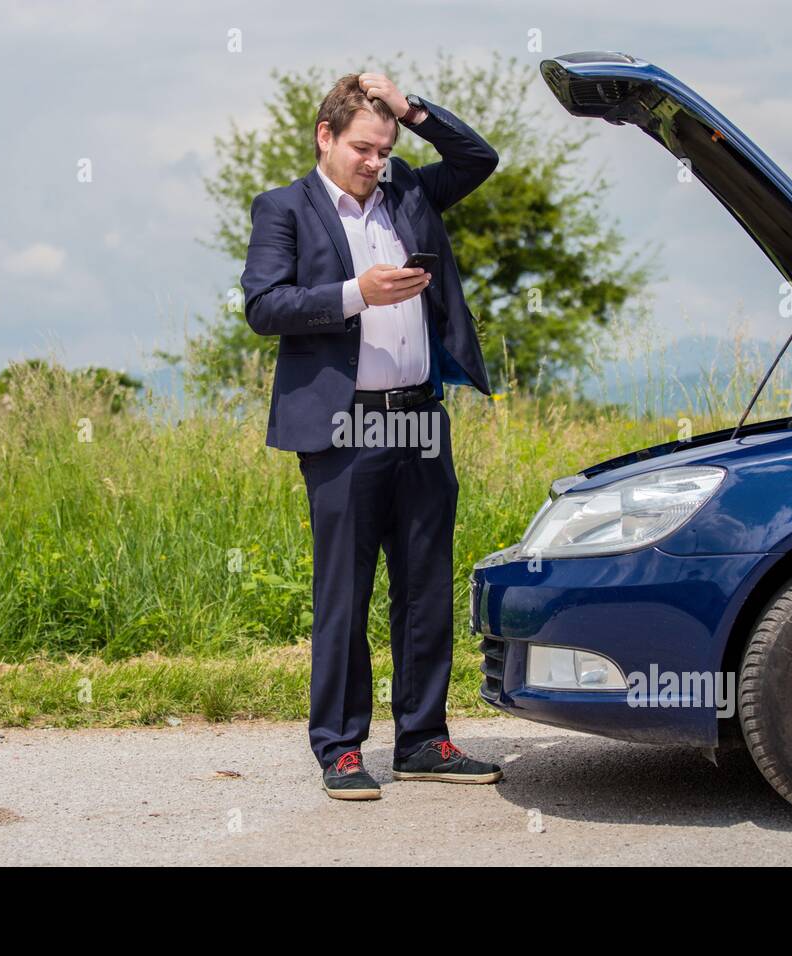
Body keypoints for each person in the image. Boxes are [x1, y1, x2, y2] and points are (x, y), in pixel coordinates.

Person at [241, 71, 502, 799]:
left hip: (420, 414)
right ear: (325, 136)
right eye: (362, 147)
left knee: (424, 585)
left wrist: (412, 106)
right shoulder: (283, 209)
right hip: (342, 421)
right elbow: (265, 305)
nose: (374, 162)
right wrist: (359, 294)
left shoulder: (410, 192)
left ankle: (423, 740)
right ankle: (342, 748)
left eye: (385, 148)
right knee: (345, 592)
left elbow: (479, 160)